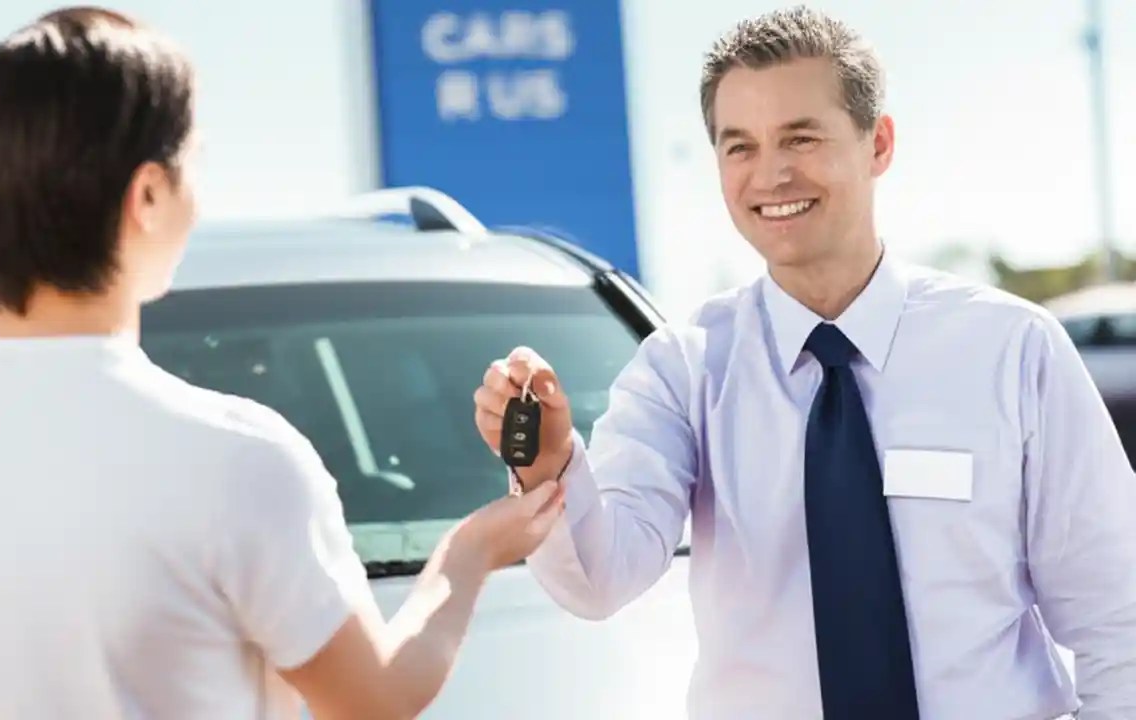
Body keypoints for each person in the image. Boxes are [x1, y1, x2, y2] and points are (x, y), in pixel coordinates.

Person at [0, 7, 564, 720]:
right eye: (195, 163)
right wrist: (467, 555)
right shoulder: (234, 456)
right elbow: (373, 700)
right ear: (149, 194)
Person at [474, 5, 1136, 719]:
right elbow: (600, 580)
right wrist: (547, 468)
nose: (772, 175)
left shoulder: (1013, 351)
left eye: (801, 138)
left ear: (877, 143)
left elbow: (1118, 615)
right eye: (740, 147)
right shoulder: (683, 370)